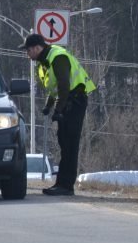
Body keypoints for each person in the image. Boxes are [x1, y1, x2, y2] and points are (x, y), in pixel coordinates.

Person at [22, 32, 96, 196]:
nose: (27, 54)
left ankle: (66, 186)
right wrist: (49, 106)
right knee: (64, 144)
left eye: (28, 50)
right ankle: (61, 183)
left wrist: (59, 110)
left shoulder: (58, 57)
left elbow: (64, 85)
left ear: (37, 48)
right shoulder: (46, 61)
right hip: (68, 102)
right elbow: (54, 88)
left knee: (70, 144)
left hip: (74, 102)